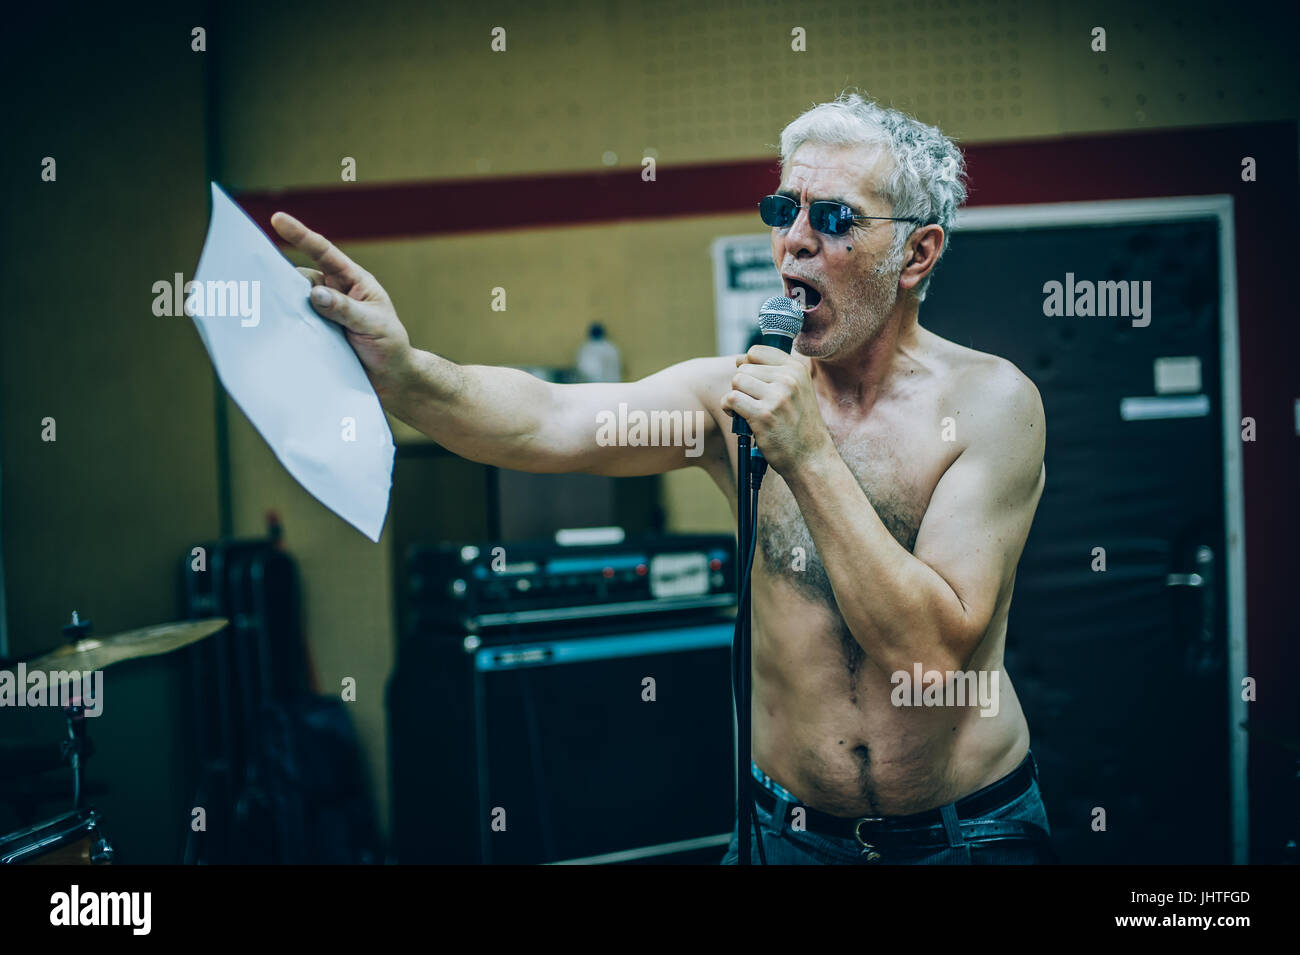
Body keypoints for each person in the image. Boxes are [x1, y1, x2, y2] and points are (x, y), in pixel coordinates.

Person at [271, 92, 1051, 865]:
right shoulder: (731, 399)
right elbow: (546, 419)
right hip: (785, 836)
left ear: (917, 254)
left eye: (835, 219)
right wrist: (404, 374)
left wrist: (808, 456)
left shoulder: (989, 405)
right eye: (784, 209)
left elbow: (929, 661)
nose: (794, 243)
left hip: (968, 834)